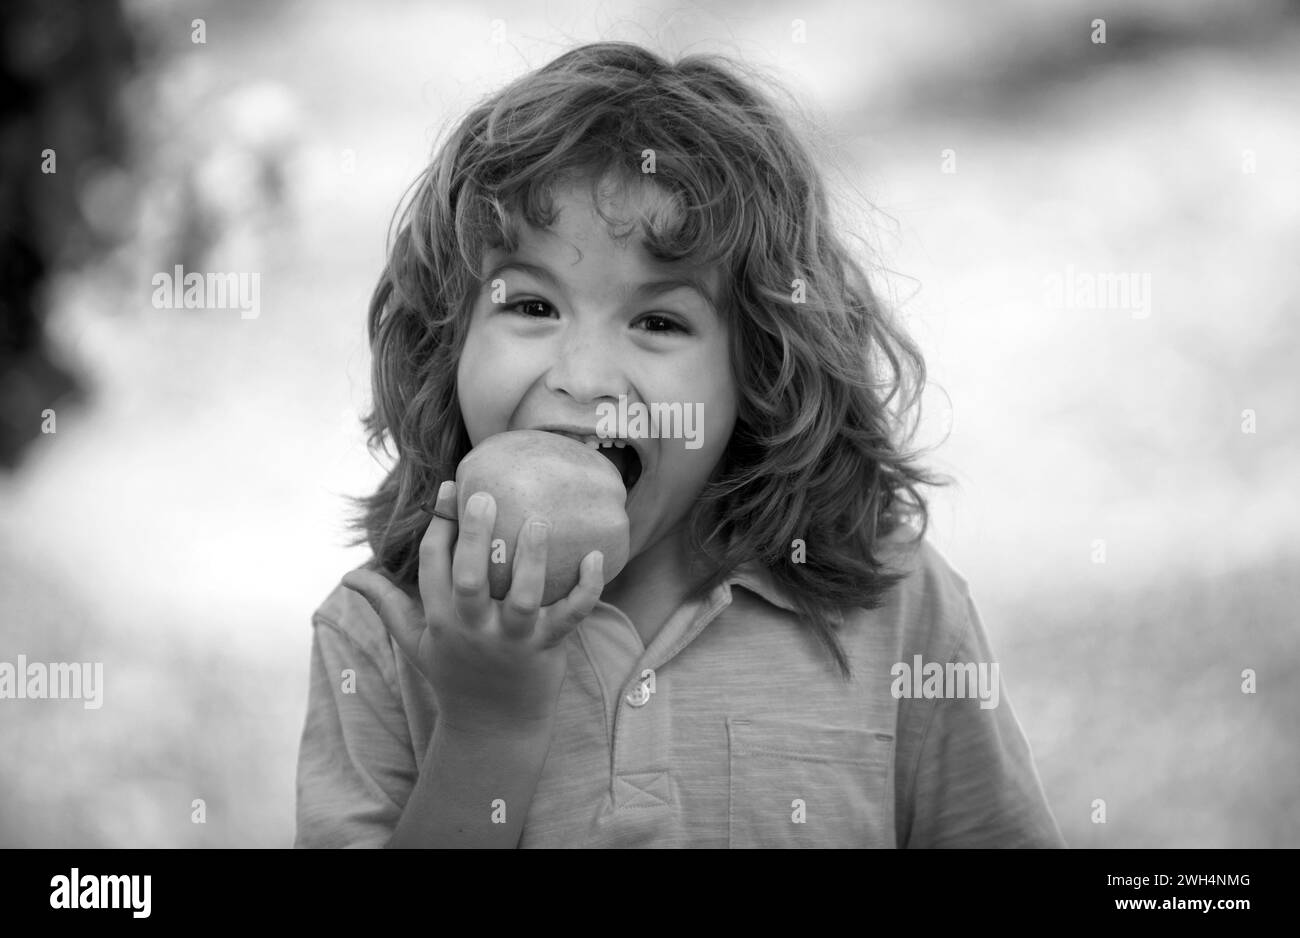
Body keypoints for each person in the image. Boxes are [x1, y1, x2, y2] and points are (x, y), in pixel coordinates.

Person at [293, 41, 1064, 848]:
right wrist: (489, 723)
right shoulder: (381, 635)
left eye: (659, 321)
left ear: (760, 370)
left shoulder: (893, 606)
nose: (584, 378)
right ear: (447, 340)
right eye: (529, 306)